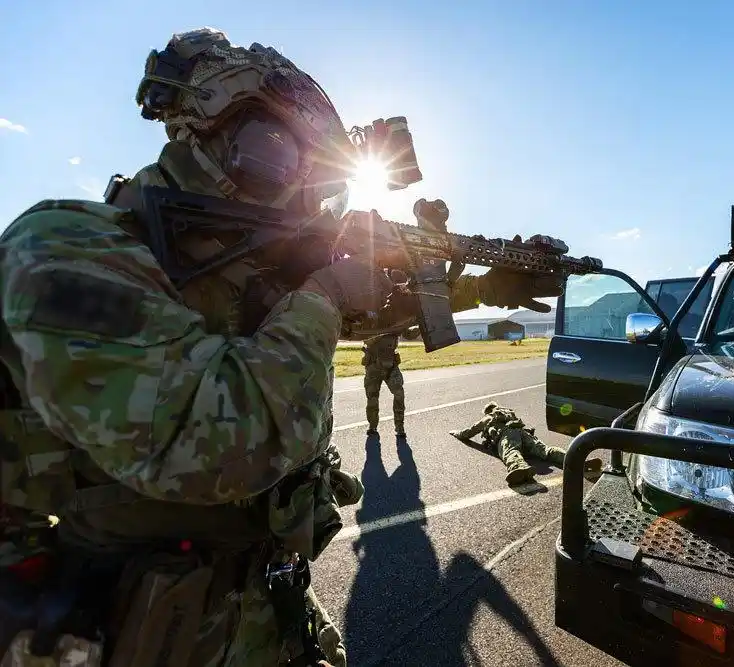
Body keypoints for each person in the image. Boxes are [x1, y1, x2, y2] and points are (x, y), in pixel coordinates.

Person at [0, 28, 563, 667]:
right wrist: (323, 293)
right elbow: (209, 443)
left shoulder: (241, 268)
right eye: (279, 158)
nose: (302, 193)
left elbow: (350, 314)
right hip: (121, 621)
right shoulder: (70, 251)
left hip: (259, 595)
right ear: (210, 138)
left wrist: (484, 286)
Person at [449, 402, 603, 485]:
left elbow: (469, 432)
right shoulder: (510, 414)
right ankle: (576, 460)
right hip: (524, 433)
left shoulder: (490, 418)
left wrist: (457, 433)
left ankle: (520, 468)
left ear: (488, 411)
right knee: (546, 451)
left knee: (511, 452)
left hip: (508, 435)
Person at [362, 333, 405, 438]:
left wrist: (418, 325)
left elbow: (409, 334)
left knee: (399, 393)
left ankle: (400, 427)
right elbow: (367, 339)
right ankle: (372, 426)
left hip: (391, 365)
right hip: (373, 366)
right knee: (372, 398)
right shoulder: (371, 320)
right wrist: (383, 331)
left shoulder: (398, 321)